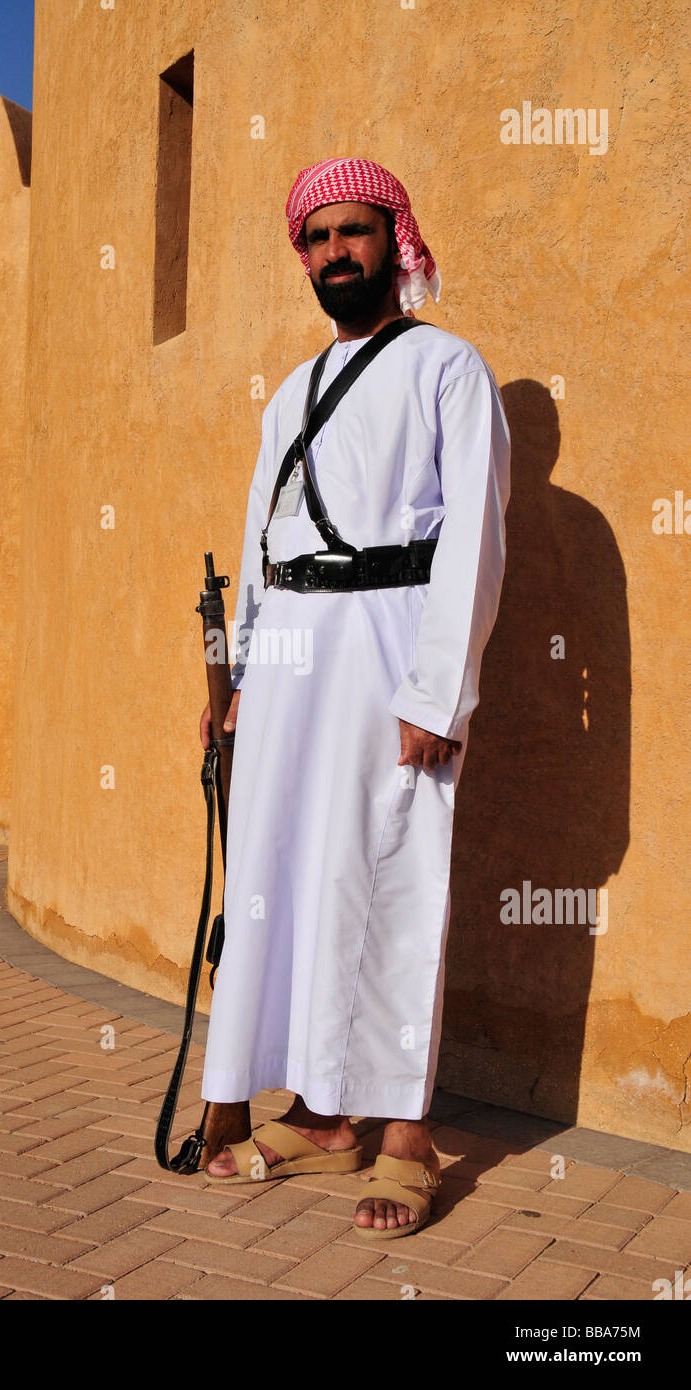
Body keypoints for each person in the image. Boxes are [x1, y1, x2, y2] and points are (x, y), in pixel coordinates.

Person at [198, 157, 511, 1238]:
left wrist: (437, 692)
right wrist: (236, 674)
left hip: (389, 654)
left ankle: (404, 1135)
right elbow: (258, 543)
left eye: (352, 232)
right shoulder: (287, 391)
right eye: (314, 237)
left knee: (387, 876)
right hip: (288, 655)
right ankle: (323, 1117)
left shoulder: (447, 370)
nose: (333, 252)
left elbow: (470, 539)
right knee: (285, 875)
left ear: (394, 239)